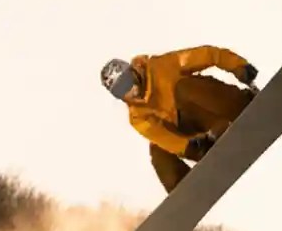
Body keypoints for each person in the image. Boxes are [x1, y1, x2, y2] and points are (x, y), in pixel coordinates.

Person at [100, 45, 259, 193]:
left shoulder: (161, 66)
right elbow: (165, 139)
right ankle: (186, 194)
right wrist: (190, 148)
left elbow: (207, 54)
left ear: (133, 72)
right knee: (158, 150)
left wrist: (238, 66)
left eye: (127, 83)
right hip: (204, 136)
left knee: (182, 90)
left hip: (220, 108)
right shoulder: (137, 116)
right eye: (121, 91)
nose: (130, 91)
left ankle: (241, 105)